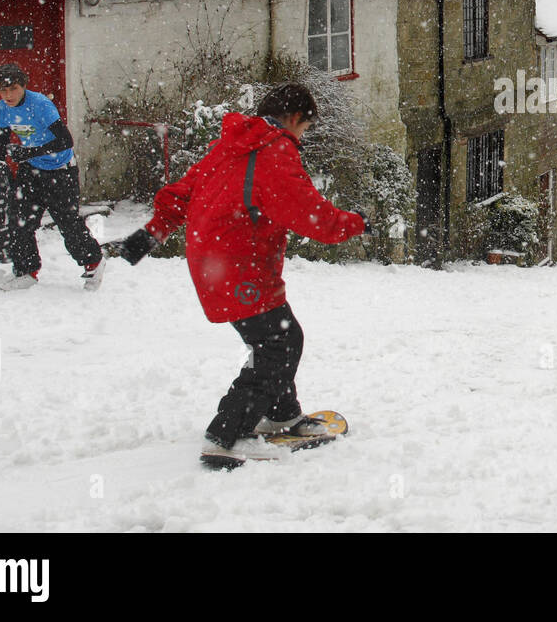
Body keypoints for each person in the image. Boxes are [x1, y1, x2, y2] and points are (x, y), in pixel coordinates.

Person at [104, 84, 369, 466]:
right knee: (280, 343)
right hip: (238, 265)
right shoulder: (273, 151)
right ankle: (226, 434)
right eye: (305, 128)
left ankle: (281, 414)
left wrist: (150, 234)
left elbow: (181, 194)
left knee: (275, 337)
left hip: (214, 261)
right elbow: (315, 217)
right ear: (295, 119)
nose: (302, 136)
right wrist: (357, 223)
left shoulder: (233, 144)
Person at [0, 62, 104, 291]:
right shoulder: (2, 108)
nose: (8, 95)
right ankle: (26, 271)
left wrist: (28, 152)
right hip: (30, 170)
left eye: (12, 89)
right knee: (19, 221)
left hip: (60, 170)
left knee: (68, 223)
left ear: (23, 86)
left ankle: (94, 263)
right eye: (3, 90)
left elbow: (65, 140)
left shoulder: (40, 104)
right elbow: (2, 140)